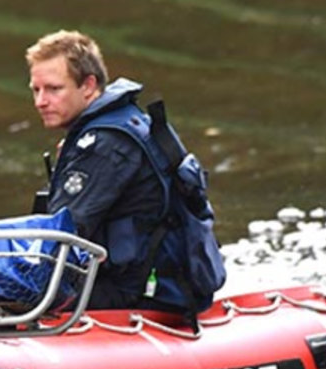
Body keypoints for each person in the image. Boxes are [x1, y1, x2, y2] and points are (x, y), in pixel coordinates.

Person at [26, 30, 224, 313]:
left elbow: (63, 233)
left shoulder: (104, 145)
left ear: (88, 86)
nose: (40, 101)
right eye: (36, 89)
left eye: (54, 89)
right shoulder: (127, 122)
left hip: (135, 293)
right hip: (156, 281)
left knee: (4, 293)